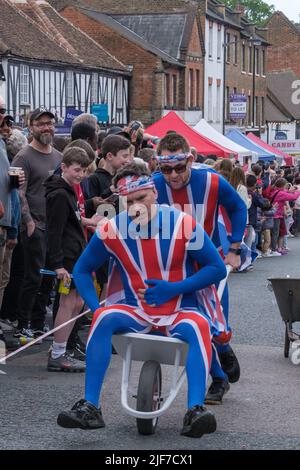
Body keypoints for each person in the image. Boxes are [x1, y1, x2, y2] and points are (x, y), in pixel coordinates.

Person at [57, 163, 226, 437]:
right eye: (129, 201)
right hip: (136, 310)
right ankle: (90, 406)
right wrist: (95, 306)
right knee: (102, 318)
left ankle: (195, 409)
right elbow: (82, 269)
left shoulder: (184, 223)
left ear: (155, 193)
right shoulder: (111, 229)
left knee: (198, 327)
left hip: (180, 309)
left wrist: (175, 288)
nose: (136, 207)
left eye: (141, 198)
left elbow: (216, 268)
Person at [152, 133, 247, 404]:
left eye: (179, 168)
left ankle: (224, 348)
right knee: (193, 328)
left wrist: (235, 247)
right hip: (172, 268)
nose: (173, 175)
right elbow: (131, 220)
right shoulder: (154, 186)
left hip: (210, 265)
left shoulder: (212, 182)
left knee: (218, 326)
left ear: (190, 160)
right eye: (166, 169)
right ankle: (218, 378)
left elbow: (238, 207)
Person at [12, 108, 62, 340]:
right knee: (33, 277)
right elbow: (19, 193)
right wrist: (28, 222)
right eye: (41, 124)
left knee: (50, 276)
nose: (46, 128)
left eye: (49, 123)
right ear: (31, 127)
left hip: (55, 227)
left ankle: (40, 323)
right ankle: (24, 324)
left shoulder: (59, 157)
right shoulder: (24, 156)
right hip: (35, 226)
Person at [45, 147, 91, 372]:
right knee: (67, 303)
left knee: (78, 302)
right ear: (63, 167)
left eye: (84, 171)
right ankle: (57, 353)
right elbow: (54, 231)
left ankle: (61, 349)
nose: (81, 175)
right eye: (77, 170)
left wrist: (89, 222)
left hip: (75, 254)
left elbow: (73, 220)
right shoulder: (60, 194)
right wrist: (58, 265)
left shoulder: (68, 191)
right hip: (66, 258)